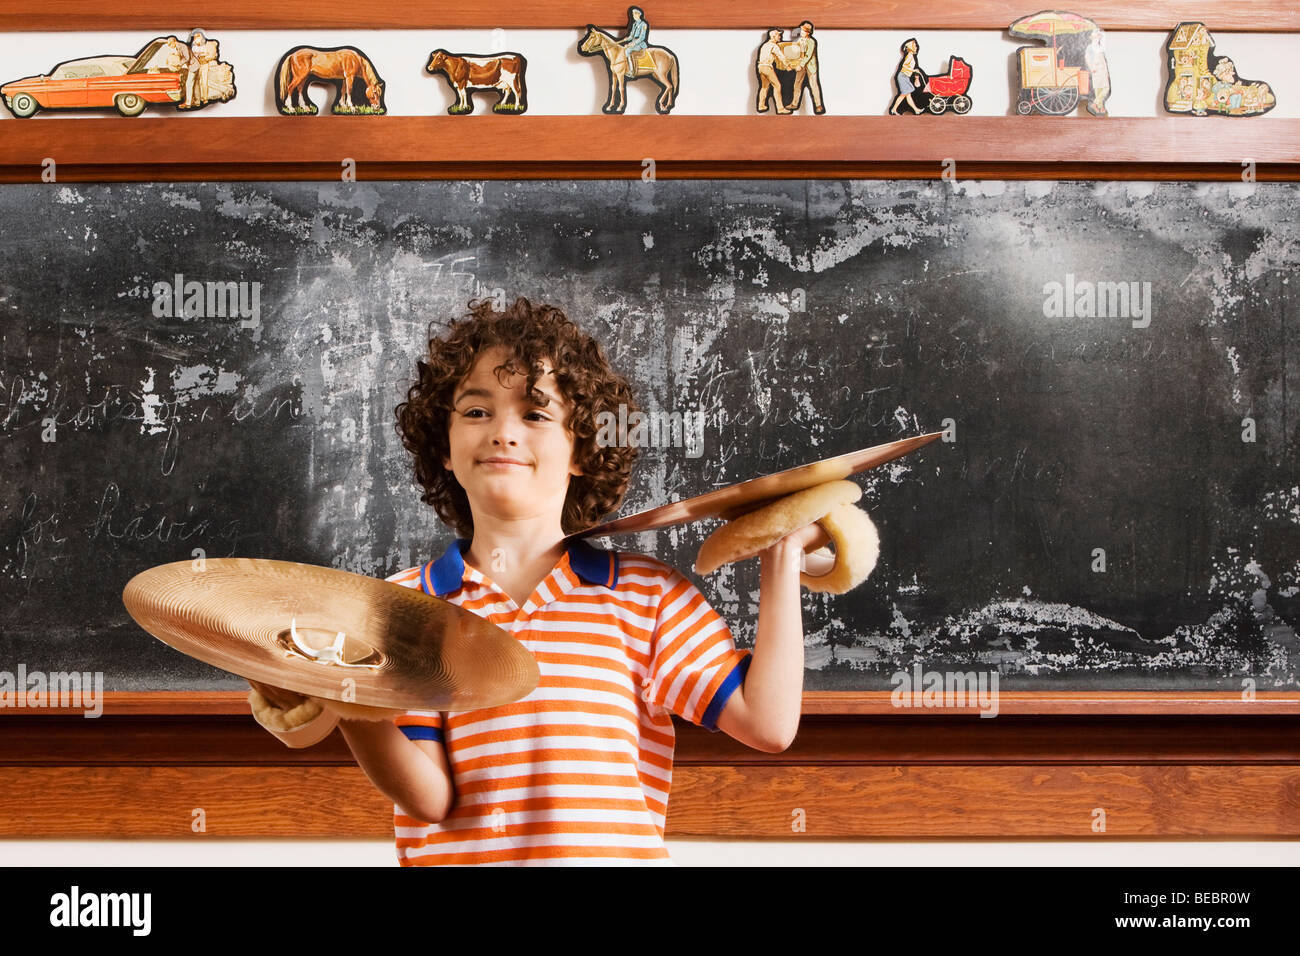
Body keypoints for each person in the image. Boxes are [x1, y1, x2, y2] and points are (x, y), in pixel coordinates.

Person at [248, 296, 833, 865]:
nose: (503, 432)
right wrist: (347, 696)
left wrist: (779, 555)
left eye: (534, 413)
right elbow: (431, 799)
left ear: (582, 449)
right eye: (477, 411)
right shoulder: (401, 608)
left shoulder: (646, 596)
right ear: (443, 447)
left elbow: (768, 724)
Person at [791, 20, 824, 114]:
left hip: (810, 66)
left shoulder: (811, 41)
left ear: (808, 32)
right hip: (801, 65)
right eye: (801, 30)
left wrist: (801, 65)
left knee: (813, 85)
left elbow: (808, 55)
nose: (801, 32)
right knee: (797, 83)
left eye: (803, 31)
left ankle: (818, 105)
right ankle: (794, 103)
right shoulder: (800, 40)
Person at [756, 28, 792, 114]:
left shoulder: (765, 45)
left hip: (761, 67)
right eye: (778, 35)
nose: (780, 37)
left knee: (764, 87)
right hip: (767, 67)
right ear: (773, 36)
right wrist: (787, 66)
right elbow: (781, 56)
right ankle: (780, 108)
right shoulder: (773, 46)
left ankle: (761, 105)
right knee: (777, 86)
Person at [889, 38, 923, 114]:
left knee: (907, 94)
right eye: (915, 45)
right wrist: (914, 70)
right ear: (911, 47)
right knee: (904, 94)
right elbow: (904, 65)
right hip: (903, 76)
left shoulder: (911, 55)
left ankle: (916, 110)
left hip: (905, 77)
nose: (916, 47)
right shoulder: (910, 55)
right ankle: (894, 109)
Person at [1084, 29, 1110, 117]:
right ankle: (1098, 106)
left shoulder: (1100, 47)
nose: (1097, 38)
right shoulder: (1090, 47)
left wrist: (1107, 72)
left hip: (1103, 69)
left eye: (1099, 37)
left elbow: (1104, 60)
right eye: (1096, 37)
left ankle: (1098, 105)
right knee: (1098, 89)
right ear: (1092, 38)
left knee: (1105, 87)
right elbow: (1087, 58)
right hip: (1096, 69)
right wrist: (1092, 68)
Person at [617, 6, 649, 74]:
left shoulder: (643, 24)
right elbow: (631, 36)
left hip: (640, 44)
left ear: (638, 15)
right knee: (623, 49)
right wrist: (626, 39)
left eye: (634, 14)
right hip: (633, 42)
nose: (633, 16)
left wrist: (633, 43)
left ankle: (631, 70)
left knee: (627, 50)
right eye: (633, 14)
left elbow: (642, 37)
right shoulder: (634, 24)